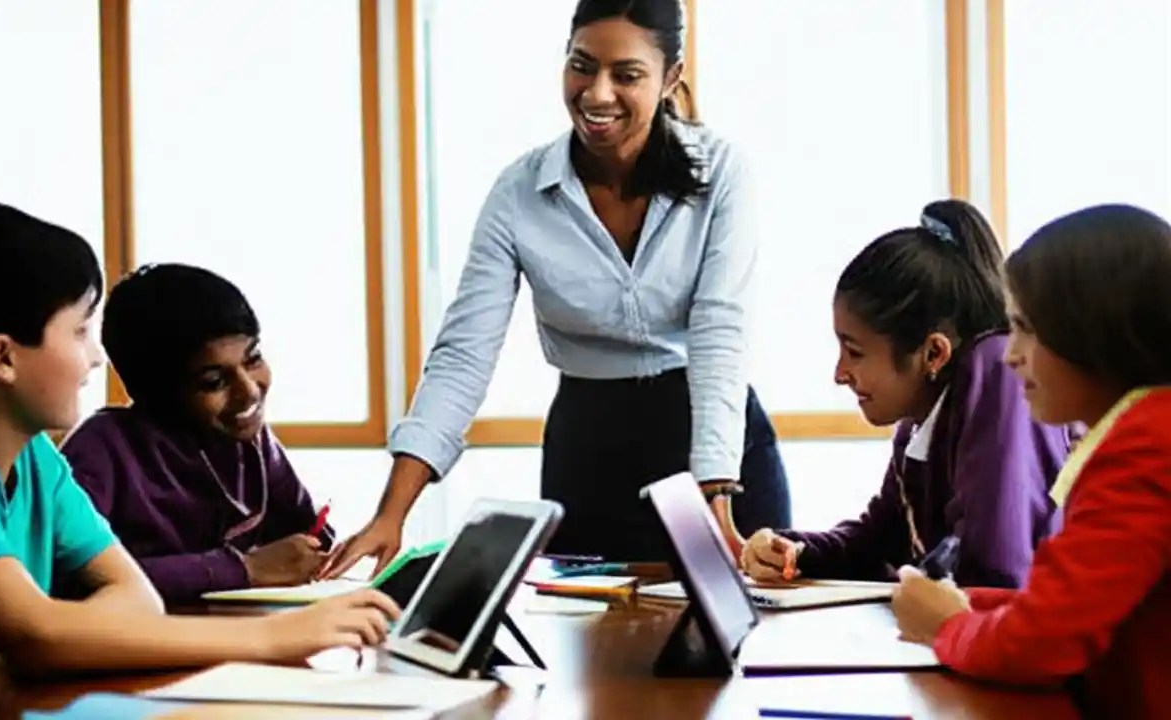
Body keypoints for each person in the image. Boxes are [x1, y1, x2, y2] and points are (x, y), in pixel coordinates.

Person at [324, 0, 790, 575]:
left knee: (733, 643)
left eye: (627, 74)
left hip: (712, 448)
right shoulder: (519, 192)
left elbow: (720, 333)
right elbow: (463, 357)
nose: (597, 93)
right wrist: (391, 514)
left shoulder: (721, 173)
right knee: (598, 654)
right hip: (590, 453)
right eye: (582, 65)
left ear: (671, 77)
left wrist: (715, 495)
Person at [0, 202, 398, 716]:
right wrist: (272, 636)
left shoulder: (38, 460)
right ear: (5, 357)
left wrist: (42, 642)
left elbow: (135, 599)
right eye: (80, 331)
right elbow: (32, 630)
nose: (95, 357)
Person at [892, 204, 1171, 719]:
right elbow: (1064, 606)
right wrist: (966, 606)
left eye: (1025, 328)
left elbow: (1042, 644)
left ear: (1090, 330)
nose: (1010, 354)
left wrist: (947, 627)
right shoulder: (1142, 430)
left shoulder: (1145, 450)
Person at [741, 200, 1071, 588]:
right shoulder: (922, 418)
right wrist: (795, 551)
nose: (839, 374)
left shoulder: (1000, 374)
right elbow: (881, 541)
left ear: (933, 353)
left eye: (855, 352)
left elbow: (995, 571)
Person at [61, 264, 331, 604]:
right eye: (214, 382)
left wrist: (316, 547)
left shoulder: (252, 443)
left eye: (253, 358)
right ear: (152, 393)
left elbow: (304, 530)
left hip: (232, 638)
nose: (248, 391)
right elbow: (71, 578)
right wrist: (243, 568)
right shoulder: (103, 450)